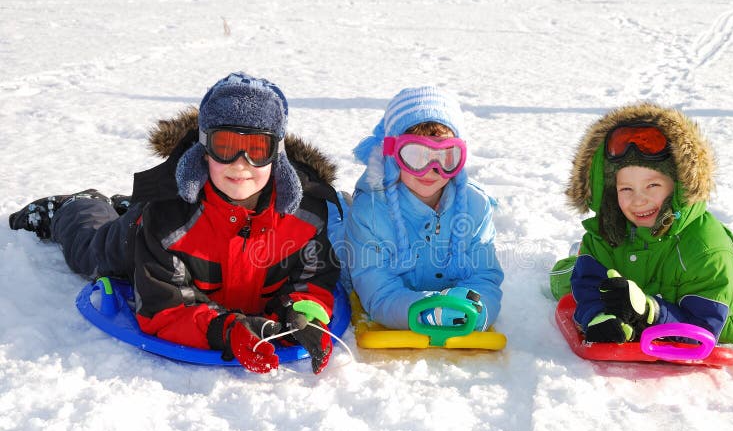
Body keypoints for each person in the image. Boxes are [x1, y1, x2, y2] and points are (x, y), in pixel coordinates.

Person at [9, 72, 340, 374]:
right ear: (206, 150)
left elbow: (312, 278)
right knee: (91, 251)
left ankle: (124, 203)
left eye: (256, 148)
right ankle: (78, 205)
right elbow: (165, 308)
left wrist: (305, 313)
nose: (241, 164)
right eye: (226, 146)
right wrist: (225, 331)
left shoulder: (306, 216)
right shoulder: (168, 221)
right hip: (139, 233)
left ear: (276, 154)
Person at [562, 102, 733, 344]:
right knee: (566, 281)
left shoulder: (706, 249)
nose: (638, 200)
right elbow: (589, 287)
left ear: (678, 188)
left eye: (652, 185)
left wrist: (649, 312)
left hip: (721, 316)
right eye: (625, 188)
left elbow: (705, 326)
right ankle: (572, 261)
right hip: (642, 286)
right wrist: (599, 316)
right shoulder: (605, 233)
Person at [345, 86, 503, 331]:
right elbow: (378, 289)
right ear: (392, 156)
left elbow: (484, 277)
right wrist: (423, 311)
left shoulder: (475, 206)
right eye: (416, 155)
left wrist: (478, 310)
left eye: (445, 156)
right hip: (401, 307)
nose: (431, 169)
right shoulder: (371, 213)